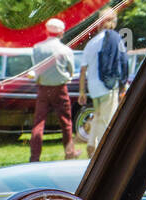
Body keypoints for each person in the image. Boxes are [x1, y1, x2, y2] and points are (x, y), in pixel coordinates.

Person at [78, 7, 128, 157]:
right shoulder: (115, 37)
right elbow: (123, 61)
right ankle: (101, 151)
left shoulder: (91, 43)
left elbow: (82, 70)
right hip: (108, 85)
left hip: (93, 87)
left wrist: (82, 91)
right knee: (106, 120)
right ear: (112, 21)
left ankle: (92, 145)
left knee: (98, 115)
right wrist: (123, 83)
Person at [29, 18, 77, 162]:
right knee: (66, 123)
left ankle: (35, 157)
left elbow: (36, 68)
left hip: (43, 88)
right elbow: (71, 71)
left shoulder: (37, 48)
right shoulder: (65, 50)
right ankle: (69, 153)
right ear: (61, 33)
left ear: (47, 31)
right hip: (60, 88)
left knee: (38, 123)